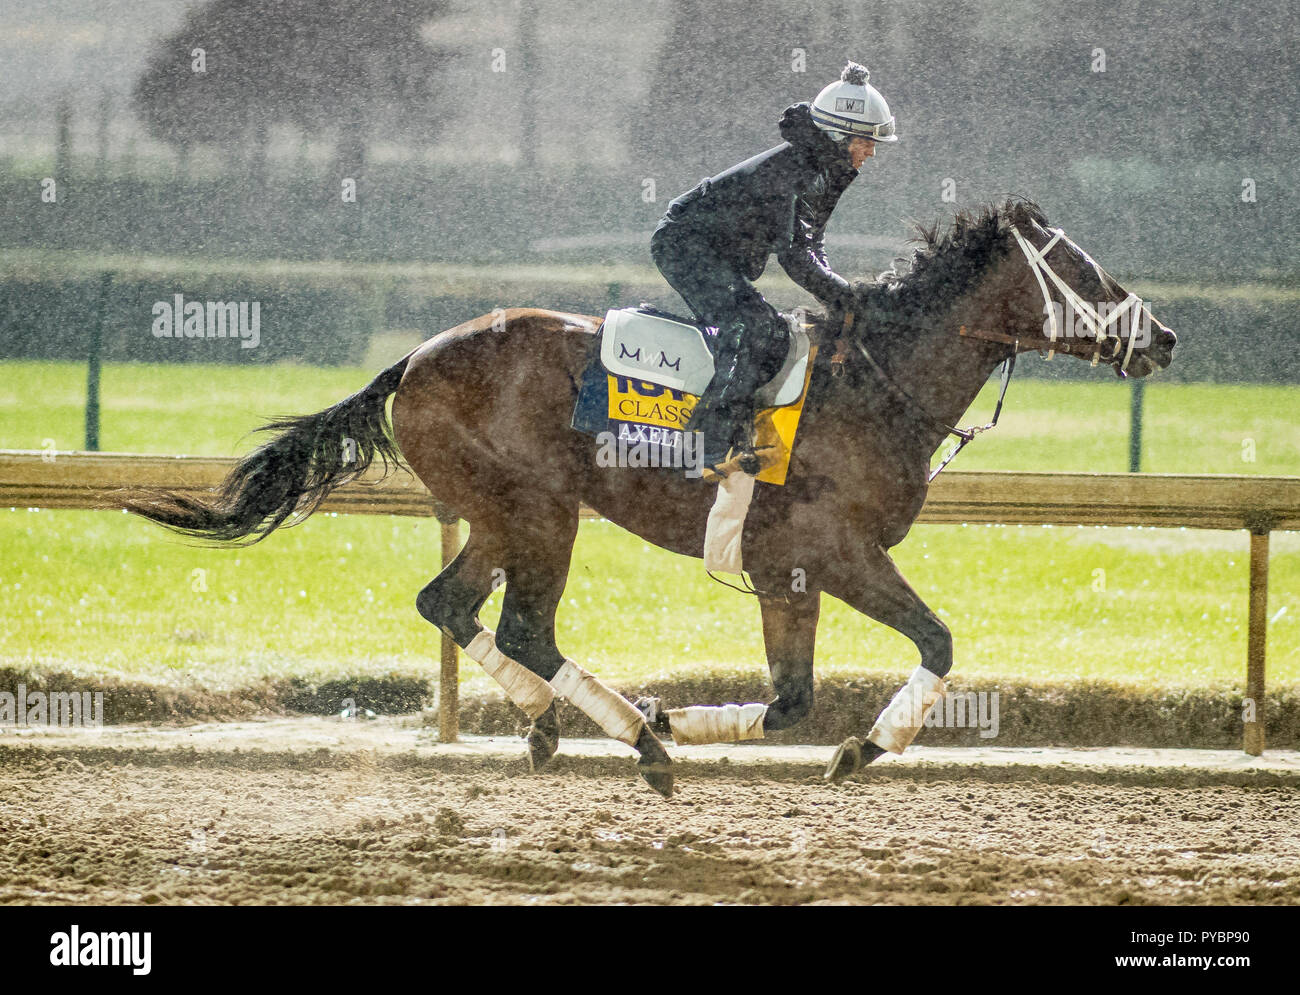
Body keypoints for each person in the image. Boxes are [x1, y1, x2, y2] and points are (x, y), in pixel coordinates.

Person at [650, 61, 897, 478]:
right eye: (866, 141)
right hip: (684, 244)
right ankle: (696, 451)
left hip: (714, 251)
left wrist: (840, 295)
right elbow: (794, 257)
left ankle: (734, 431)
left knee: (770, 330)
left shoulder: (827, 170)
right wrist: (845, 296)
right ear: (838, 137)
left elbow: (812, 242)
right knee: (751, 327)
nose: (871, 151)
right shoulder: (792, 172)